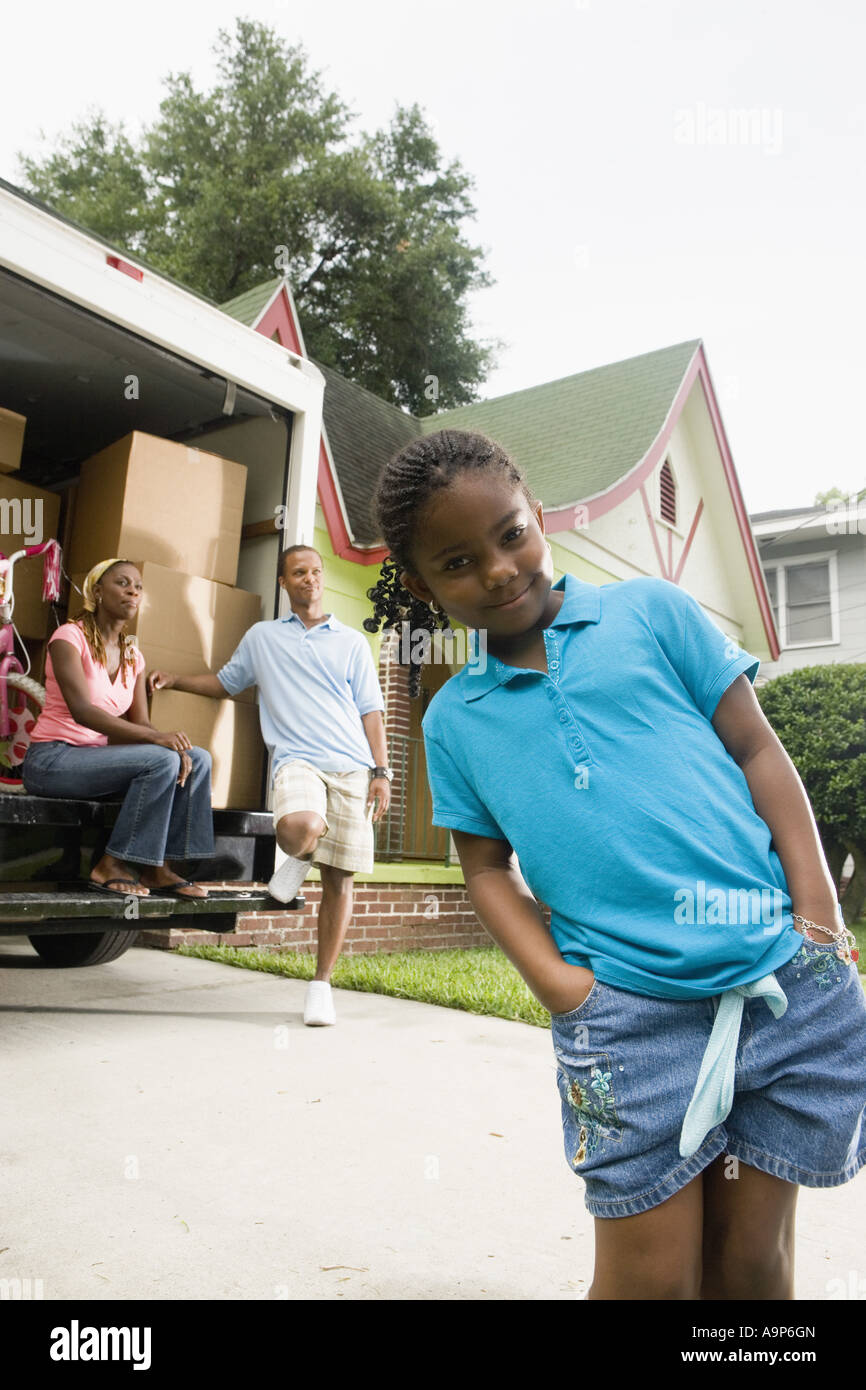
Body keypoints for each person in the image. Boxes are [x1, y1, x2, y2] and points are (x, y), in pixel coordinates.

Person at [365, 428, 866, 1301]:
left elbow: (757, 749)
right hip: (629, 1026)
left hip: (780, 987)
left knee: (752, 1265)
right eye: (457, 561)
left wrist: (817, 908)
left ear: (538, 515)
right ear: (420, 585)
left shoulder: (653, 614)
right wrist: (562, 985)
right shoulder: (456, 723)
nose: (497, 569)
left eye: (511, 534)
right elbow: (486, 869)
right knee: (649, 1280)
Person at [147, 545, 391, 1026]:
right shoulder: (263, 638)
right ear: (284, 582)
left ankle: (321, 984)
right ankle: (300, 857)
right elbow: (226, 682)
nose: (310, 579)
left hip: (352, 767)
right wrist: (176, 678)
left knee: (340, 880)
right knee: (300, 828)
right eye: (299, 572)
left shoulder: (350, 643)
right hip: (297, 759)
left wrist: (381, 772)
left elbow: (372, 711)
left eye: (316, 571)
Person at [22, 559, 214, 898]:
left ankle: (159, 867)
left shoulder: (132, 657)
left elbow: (140, 724)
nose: (132, 591)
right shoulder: (68, 637)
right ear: (97, 592)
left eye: (138, 586)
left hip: (95, 761)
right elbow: (83, 712)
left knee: (196, 758)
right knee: (162, 759)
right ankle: (112, 863)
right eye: (122, 583)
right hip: (52, 760)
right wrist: (158, 742)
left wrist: (169, 744)